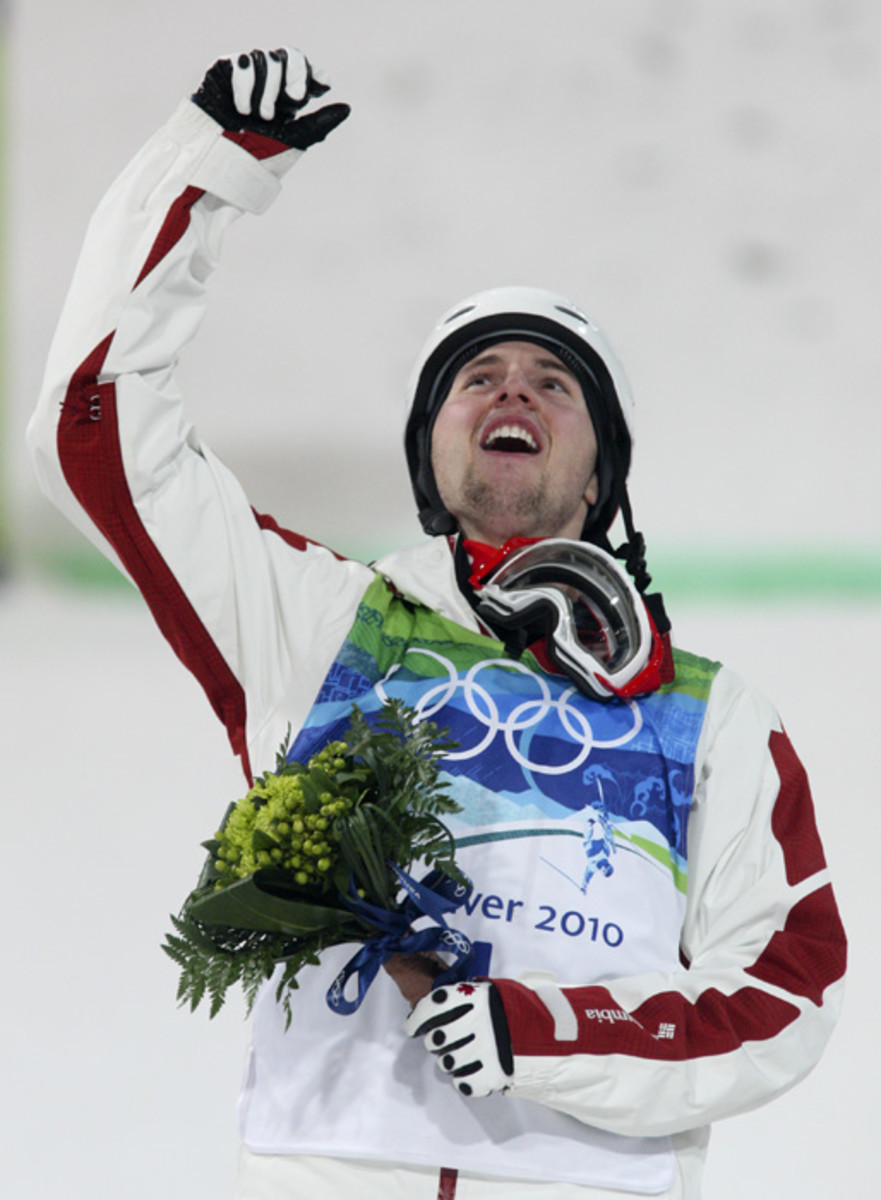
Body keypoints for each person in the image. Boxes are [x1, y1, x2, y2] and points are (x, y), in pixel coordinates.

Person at [28, 46, 846, 1200]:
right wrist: (202, 170)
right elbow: (95, 434)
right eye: (476, 378)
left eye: (553, 383)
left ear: (601, 474)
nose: (512, 390)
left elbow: (787, 985)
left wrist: (547, 1033)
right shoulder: (313, 624)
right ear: (430, 453)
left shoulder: (713, 718)